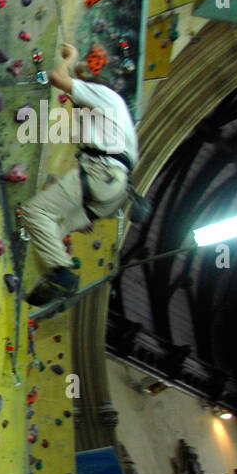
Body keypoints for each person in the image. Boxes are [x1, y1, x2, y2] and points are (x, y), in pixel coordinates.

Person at [19, 43, 138, 306]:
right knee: (52, 231)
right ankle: (52, 280)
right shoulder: (118, 115)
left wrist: (70, 58)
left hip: (100, 174)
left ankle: (61, 274)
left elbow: (58, 78)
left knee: (34, 213)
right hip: (113, 191)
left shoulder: (102, 94)